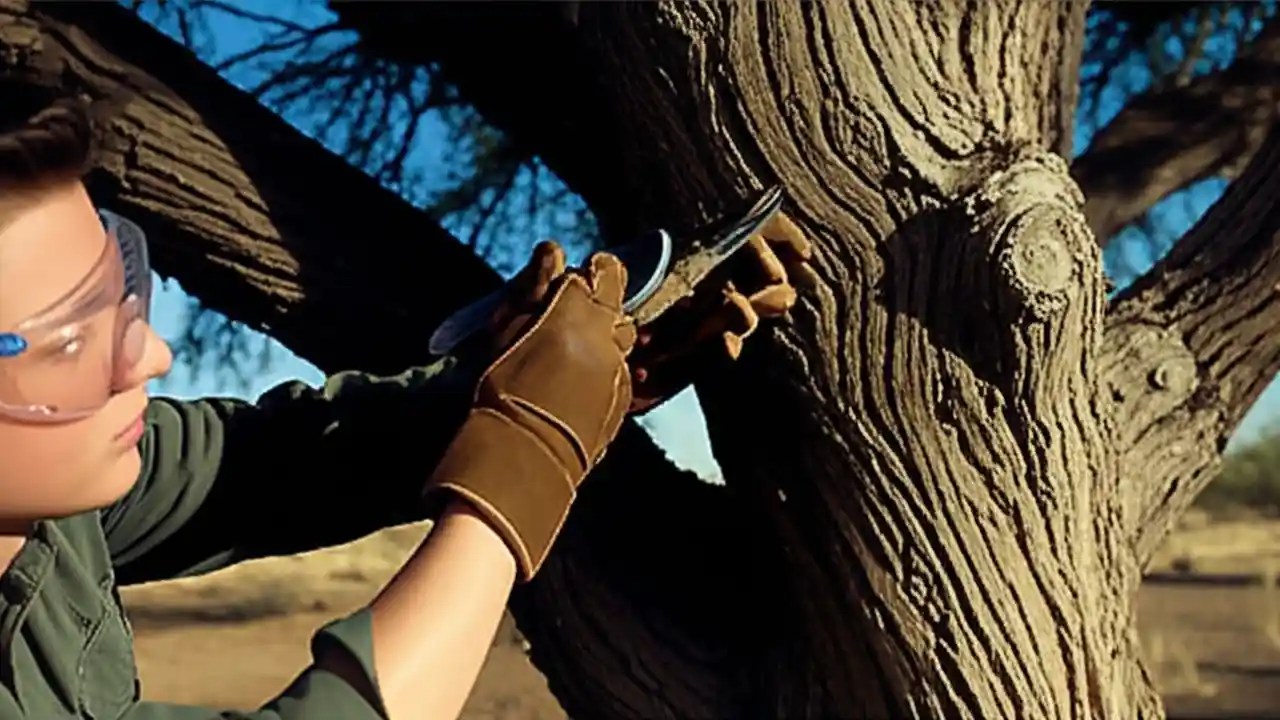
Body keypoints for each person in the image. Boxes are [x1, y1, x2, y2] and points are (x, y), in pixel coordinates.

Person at [0, 82, 811, 720]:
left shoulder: (49, 504)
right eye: (72, 337)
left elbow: (263, 467)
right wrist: (527, 458)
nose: (150, 353)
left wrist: (507, 382)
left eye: (123, 292)